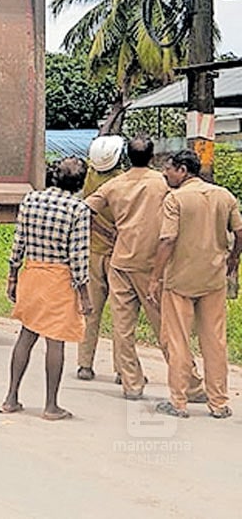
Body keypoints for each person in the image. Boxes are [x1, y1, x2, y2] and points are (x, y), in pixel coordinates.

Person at [85, 137, 205, 401]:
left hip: (120, 262)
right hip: (152, 267)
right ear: (152, 157)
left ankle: (132, 384)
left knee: (123, 327)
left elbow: (85, 210)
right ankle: (192, 385)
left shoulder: (113, 185)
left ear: (127, 157)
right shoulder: (163, 184)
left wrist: (109, 232)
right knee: (166, 327)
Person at [148, 150, 242, 419]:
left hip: (180, 280)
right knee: (215, 341)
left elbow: (167, 240)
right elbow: (239, 231)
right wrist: (233, 259)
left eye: (169, 169)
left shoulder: (175, 199)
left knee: (178, 341)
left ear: (182, 170)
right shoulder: (224, 195)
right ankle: (219, 402)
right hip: (213, 278)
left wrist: (155, 278)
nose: (166, 174)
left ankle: (179, 401)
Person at [0, 157, 92, 421]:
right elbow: (79, 257)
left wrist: (12, 277)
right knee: (55, 341)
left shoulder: (31, 200)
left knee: (26, 336)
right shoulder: (78, 209)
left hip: (33, 273)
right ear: (79, 183)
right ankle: (51, 406)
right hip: (59, 279)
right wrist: (84, 295)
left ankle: (11, 398)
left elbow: (18, 243)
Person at [76, 135, 125, 381]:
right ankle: (121, 369)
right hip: (119, 254)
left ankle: (85, 365)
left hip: (92, 251)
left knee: (90, 311)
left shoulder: (89, 177)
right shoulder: (123, 181)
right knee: (122, 314)